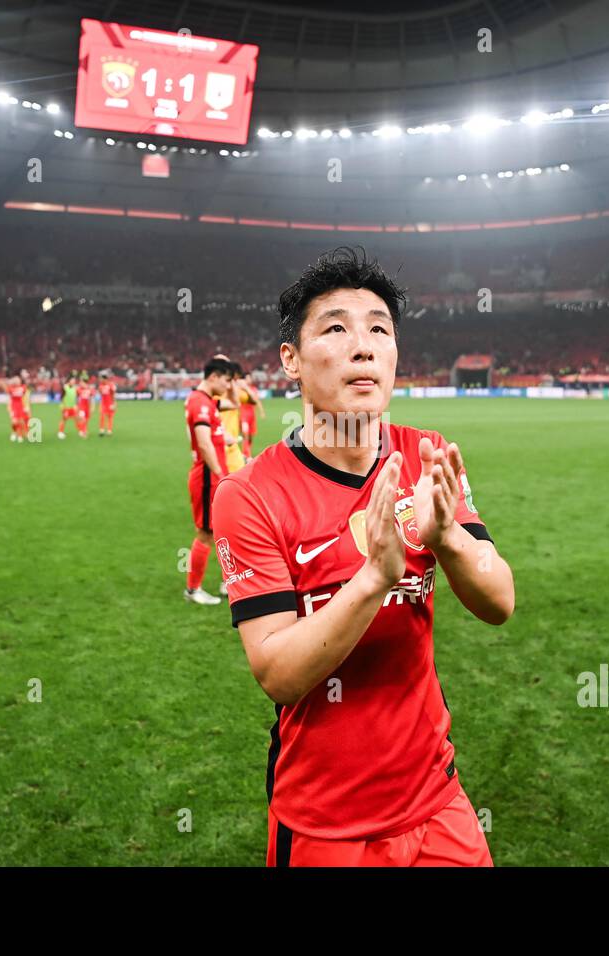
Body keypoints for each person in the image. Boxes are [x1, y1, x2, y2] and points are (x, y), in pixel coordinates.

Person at [213, 246, 515, 866]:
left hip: (439, 802)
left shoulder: (425, 453)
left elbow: (500, 602)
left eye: (380, 328)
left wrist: (450, 540)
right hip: (328, 825)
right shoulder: (248, 495)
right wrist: (375, 578)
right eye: (335, 328)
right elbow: (277, 671)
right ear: (290, 361)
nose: (364, 345)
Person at [183, 357, 233, 605]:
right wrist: (220, 476)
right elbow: (203, 442)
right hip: (206, 477)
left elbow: (214, 434)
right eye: (225, 379)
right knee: (205, 533)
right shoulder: (199, 402)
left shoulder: (207, 402)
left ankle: (229, 582)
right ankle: (193, 589)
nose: (227, 385)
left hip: (212, 476)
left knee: (221, 530)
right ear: (213, 376)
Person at [7, 374, 31, 442]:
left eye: (19, 380)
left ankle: (20, 435)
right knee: (14, 422)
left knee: (21, 421)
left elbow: (25, 397)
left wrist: (26, 406)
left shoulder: (23, 388)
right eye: (17, 380)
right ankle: (14, 433)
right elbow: (10, 399)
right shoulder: (10, 388)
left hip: (21, 406)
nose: (18, 381)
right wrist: (9, 408)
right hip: (14, 406)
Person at [96, 372, 117, 436]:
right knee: (102, 416)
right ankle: (101, 430)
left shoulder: (111, 385)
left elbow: (113, 395)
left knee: (110, 417)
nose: (100, 380)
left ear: (105, 379)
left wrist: (114, 403)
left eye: (101, 379)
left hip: (110, 404)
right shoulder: (100, 386)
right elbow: (100, 394)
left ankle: (109, 430)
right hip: (103, 404)